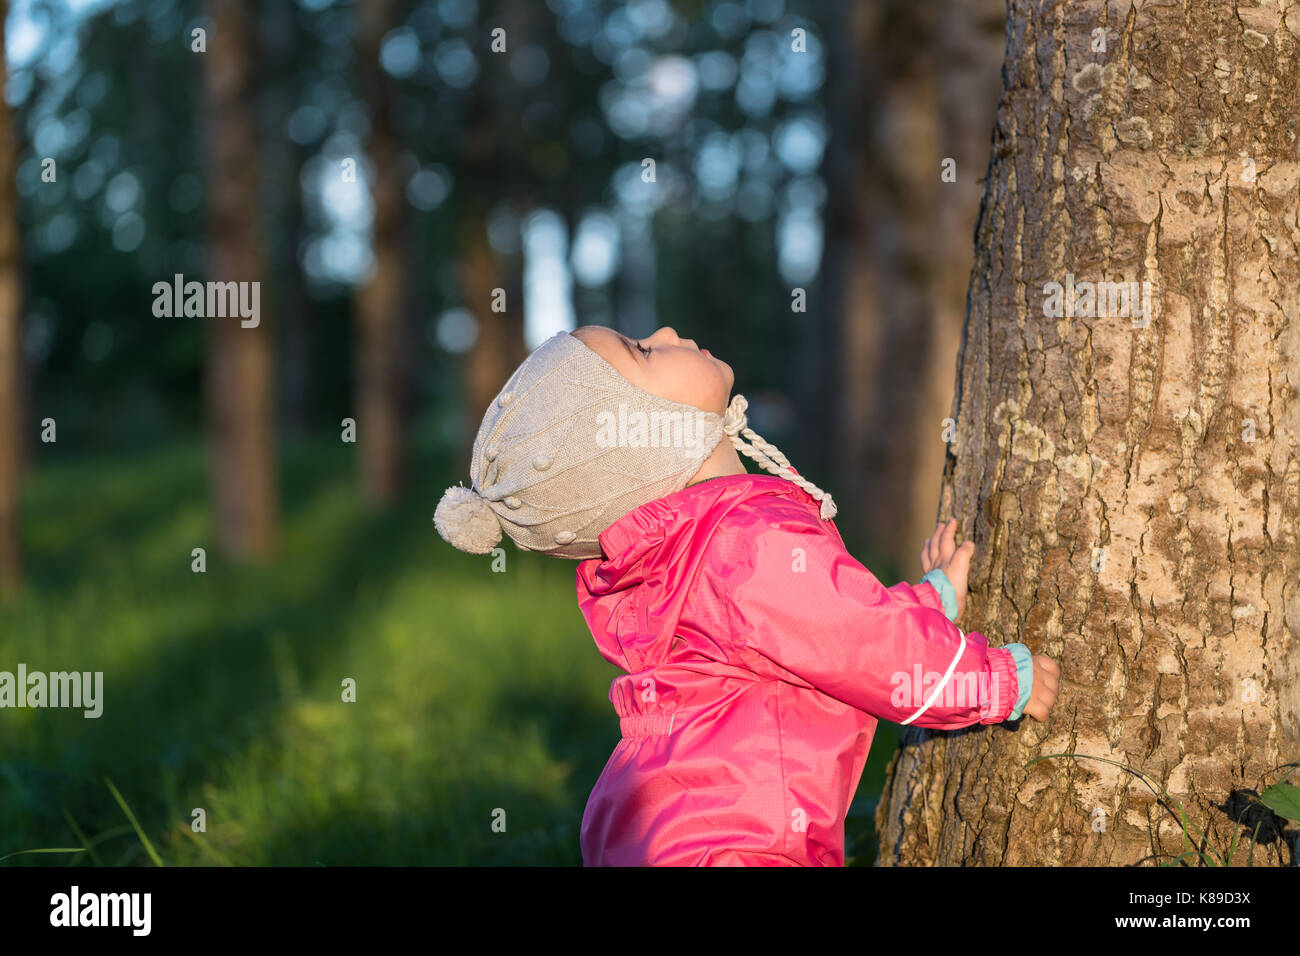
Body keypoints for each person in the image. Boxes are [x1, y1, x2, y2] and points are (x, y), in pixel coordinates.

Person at [435, 325, 1061, 866]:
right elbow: (858, 640)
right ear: (639, 436)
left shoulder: (687, 552)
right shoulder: (744, 541)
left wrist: (928, 603)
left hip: (659, 827)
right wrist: (993, 681)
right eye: (644, 352)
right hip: (737, 840)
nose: (669, 333)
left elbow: (823, 633)